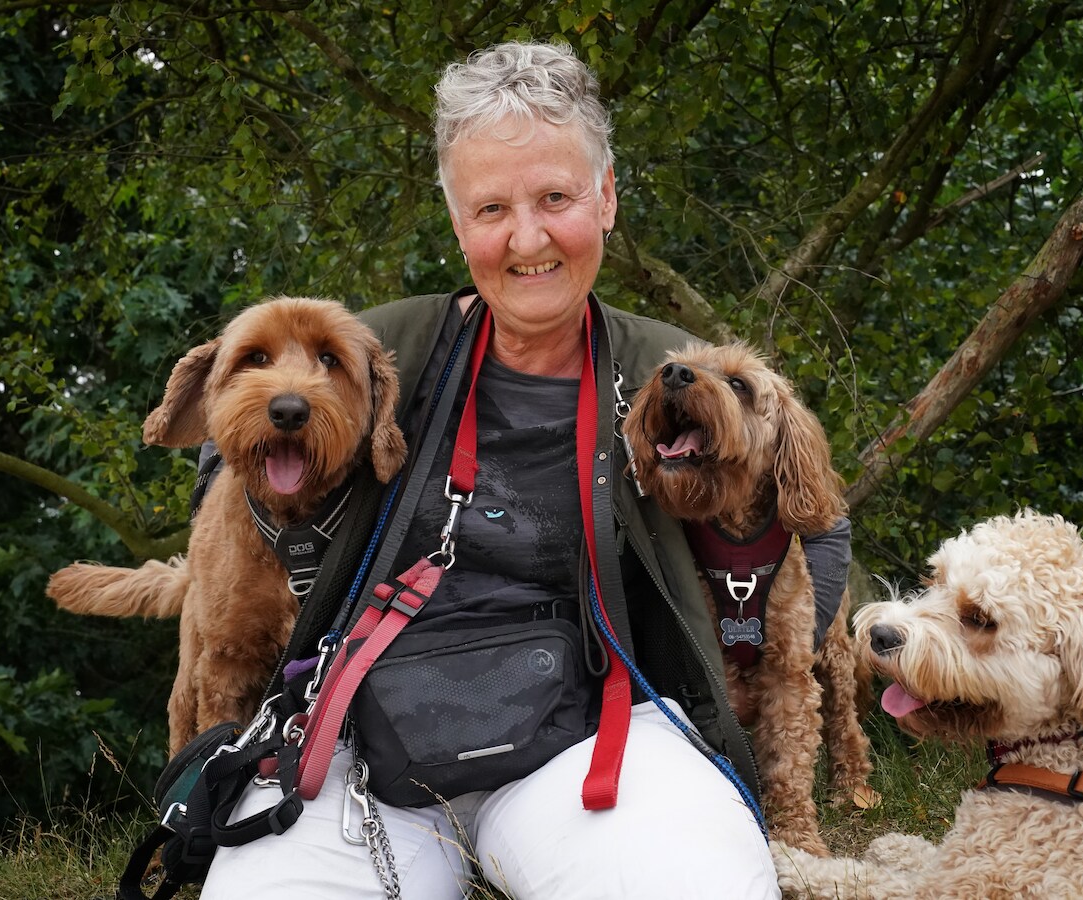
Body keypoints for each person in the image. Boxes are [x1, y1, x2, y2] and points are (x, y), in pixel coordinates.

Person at [199, 41, 851, 900]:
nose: (527, 237)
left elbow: (807, 520)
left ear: (608, 197)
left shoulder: (671, 368)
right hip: (359, 738)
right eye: (492, 207)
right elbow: (235, 446)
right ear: (458, 223)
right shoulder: (372, 348)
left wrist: (784, 641)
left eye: (556, 198)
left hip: (595, 736)